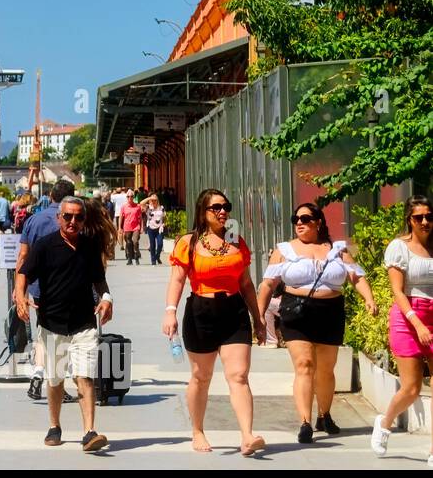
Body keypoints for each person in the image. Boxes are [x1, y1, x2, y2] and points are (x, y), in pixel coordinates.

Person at [256, 203, 376, 444]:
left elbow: (357, 276)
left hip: (330, 312)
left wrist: (369, 299)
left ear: (318, 222)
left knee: (325, 369)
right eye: (296, 219)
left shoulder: (337, 250)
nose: (299, 222)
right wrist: (258, 315)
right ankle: (305, 422)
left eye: (306, 218)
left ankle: (324, 415)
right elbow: (268, 284)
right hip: (295, 311)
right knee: (304, 364)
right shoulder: (284, 250)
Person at [162, 188, 266, 456]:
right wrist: (170, 310)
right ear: (202, 211)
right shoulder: (189, 242)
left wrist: (258, 317)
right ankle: (197, 430)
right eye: (216, 207)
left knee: (239, 375)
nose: (223, 212)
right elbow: (177, 279)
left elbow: (245, 282)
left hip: (234, 310)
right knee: (201, 376)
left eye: (226, 207)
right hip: (201, 311)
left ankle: (247, 436)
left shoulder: (236, 241)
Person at [15, 195, 114, 452]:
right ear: (59, 217)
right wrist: (20, 296)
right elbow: (23, 272)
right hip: (52, 324)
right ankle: (54, 425)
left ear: (84, 220)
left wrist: (106, 298)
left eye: (78, 217)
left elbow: (99, 280)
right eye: (67, 216)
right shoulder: (46, 246)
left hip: (84, 323)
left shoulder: (90, 246)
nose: (73, 221)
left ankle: (89, 432)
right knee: (56, 378)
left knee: (85, 377)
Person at [370, 196, 433, 466]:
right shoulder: (399, 247)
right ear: (409, 219)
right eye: (419, 217)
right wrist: (417, 323)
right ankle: (384, 422)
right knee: (411, 388)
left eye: (429, 216)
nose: (425, 222)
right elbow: (397, 291)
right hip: (408, 319)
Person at [17, 179, 77, 400]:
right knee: (64, 337)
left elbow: (23, 257)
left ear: (51, 195)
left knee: (44, 332)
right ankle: (57, 385)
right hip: (68, 288)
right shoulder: (75, 221)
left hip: (39, 288)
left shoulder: (34, 220)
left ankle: (38, 372)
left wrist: (19, 289)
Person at [120, 193, 143, 265]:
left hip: (136, 227)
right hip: (127, 227)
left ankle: (136, 256)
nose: (130, 197)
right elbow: (121, 217)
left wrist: (142, 227)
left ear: (133, 197)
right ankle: (129, 258)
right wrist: (119, 227)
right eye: (128, 196)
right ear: (126, 197)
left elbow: (140, 218)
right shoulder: (124, 206)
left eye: (131, 196)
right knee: (129, 243)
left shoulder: (138, 206)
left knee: (135, 241)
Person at [144, 193, 166, 265]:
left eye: (155, 200)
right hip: (151, 228)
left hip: (159, 229)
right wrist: (149, 198)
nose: (153, 202)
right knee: (152, 244)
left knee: (160, 244)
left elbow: (164, 217)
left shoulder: (161, 208)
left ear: (157, 200)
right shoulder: (148, 207)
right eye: (152, 200)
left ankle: (157, 256)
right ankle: (153, 261)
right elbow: (140, 203)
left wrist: (164, 223)